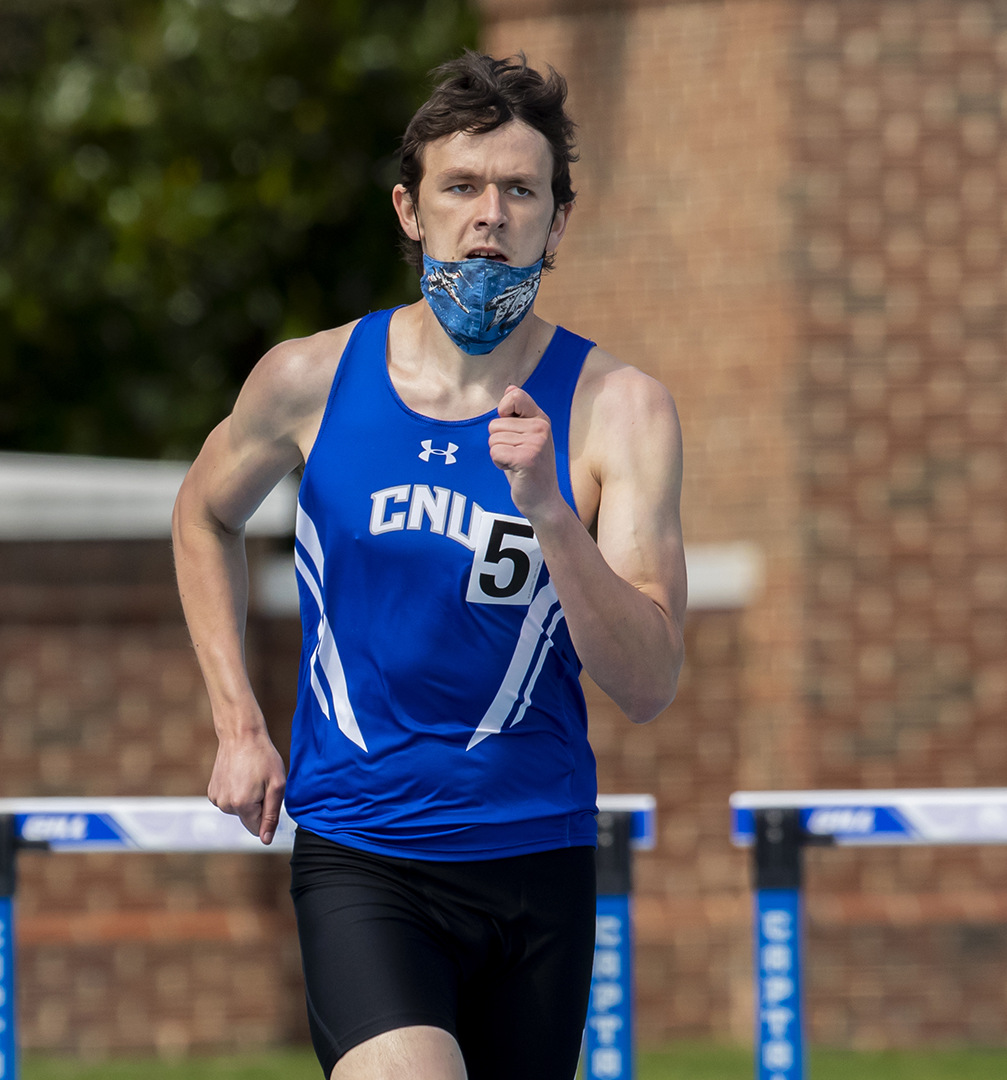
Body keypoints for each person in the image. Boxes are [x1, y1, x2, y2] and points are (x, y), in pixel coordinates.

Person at [174, 52, 687, 1080]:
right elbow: (200, 516)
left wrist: (550, 509)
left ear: (557, 219)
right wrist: (237, 723)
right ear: (411, 210)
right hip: (366, 849)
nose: (489, 215)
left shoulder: (617, 409)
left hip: (535, 854)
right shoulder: (309, 378)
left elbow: (647, 680)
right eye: (462, 186)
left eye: (519, 190)